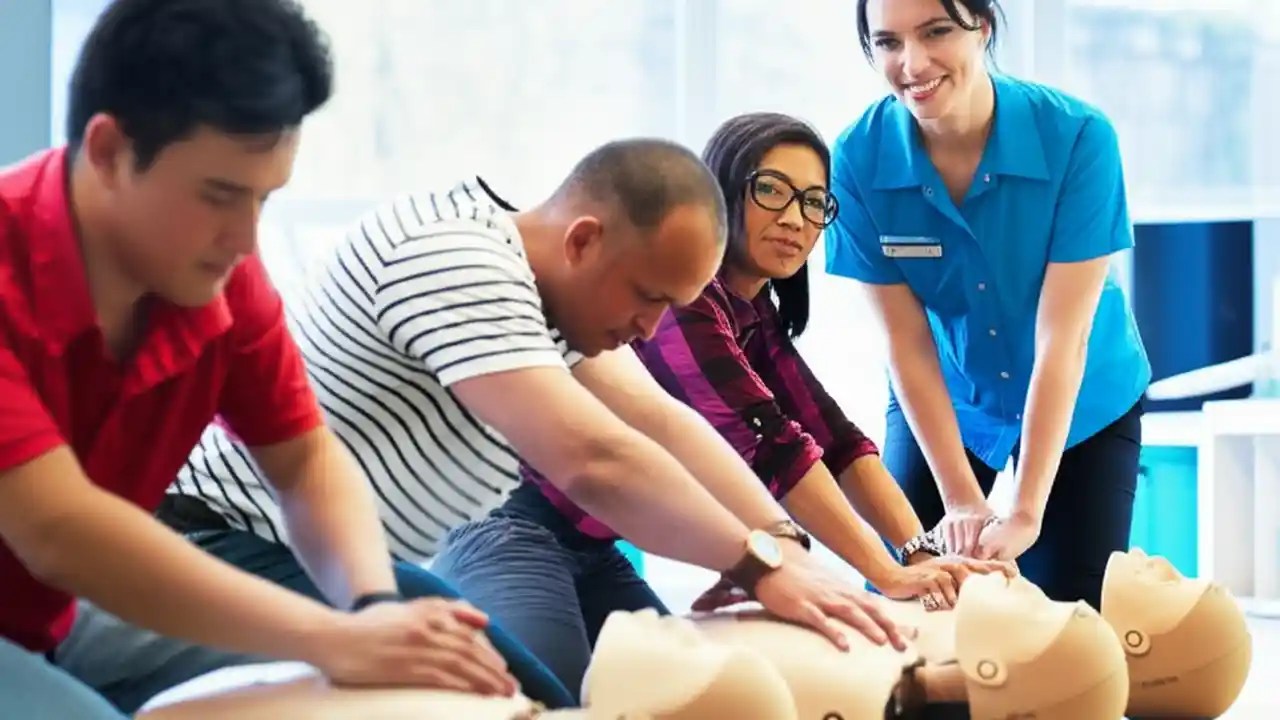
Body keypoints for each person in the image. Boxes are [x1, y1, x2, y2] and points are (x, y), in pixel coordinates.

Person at [170, 137, 909, 703]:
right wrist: (756, 564)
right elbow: (596, 459)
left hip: (341, 560)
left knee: (674, 688)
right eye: (647, 298)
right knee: (540, 702)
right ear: (583, 239)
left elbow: (661, 420)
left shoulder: (546, 288)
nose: (652, 331)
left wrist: (784, 549)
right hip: (227, 538)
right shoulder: (456, 258)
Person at [0, 1, 517, 717]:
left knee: (436, 639)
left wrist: (369, 606)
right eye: (219, 196)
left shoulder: (217, 276)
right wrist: (333, 639)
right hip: (48, 591)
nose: (245, 237)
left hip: (57, 618)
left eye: (264, 199)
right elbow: (59, 530)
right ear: (111, 150)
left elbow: (304, 461)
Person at [825, 0, 1151, 611]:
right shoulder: (858, 159)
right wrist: (961, 500)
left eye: (936, 31)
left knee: (1070, 624)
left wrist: (1025, 511)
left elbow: (1064, 340)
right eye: (888, 42)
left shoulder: (1077, 137)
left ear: (984, 26)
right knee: (901, 596)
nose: (912, 63)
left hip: (1082, 397)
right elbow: (907, 343)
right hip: (949, 396)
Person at [629, 111, 1013, 617]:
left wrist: (920, 551)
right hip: (529, 529)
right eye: (771, 190)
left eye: (813, 202)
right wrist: (887, 572)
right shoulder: (686, 302)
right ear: (719, 192)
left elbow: (837, 440)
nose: (794, 219)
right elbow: (773, 448)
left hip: (597, 546)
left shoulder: (756, 315)